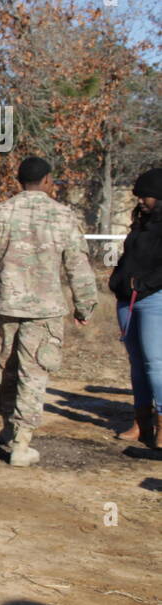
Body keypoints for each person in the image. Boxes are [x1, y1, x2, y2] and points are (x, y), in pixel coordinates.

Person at [0, 157, 97, 466]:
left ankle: (7, 427)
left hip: (4, 306)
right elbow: (77, 264)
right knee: (33, 374)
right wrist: (85, 304)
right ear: (47, 180)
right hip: (43, 311)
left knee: (6, 370)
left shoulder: (0, 213)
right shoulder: (62, 216)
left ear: (20, 181)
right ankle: (22, 442)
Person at [108, 167, 162, 449]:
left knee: (156, 363)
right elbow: (128, 259)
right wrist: (117, 282)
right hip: (127, 300)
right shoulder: (139, 224)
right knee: (137, 365)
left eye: (146, 196)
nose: (140, 201)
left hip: (155, 300)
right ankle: (141, 422)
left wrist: (146, 283)